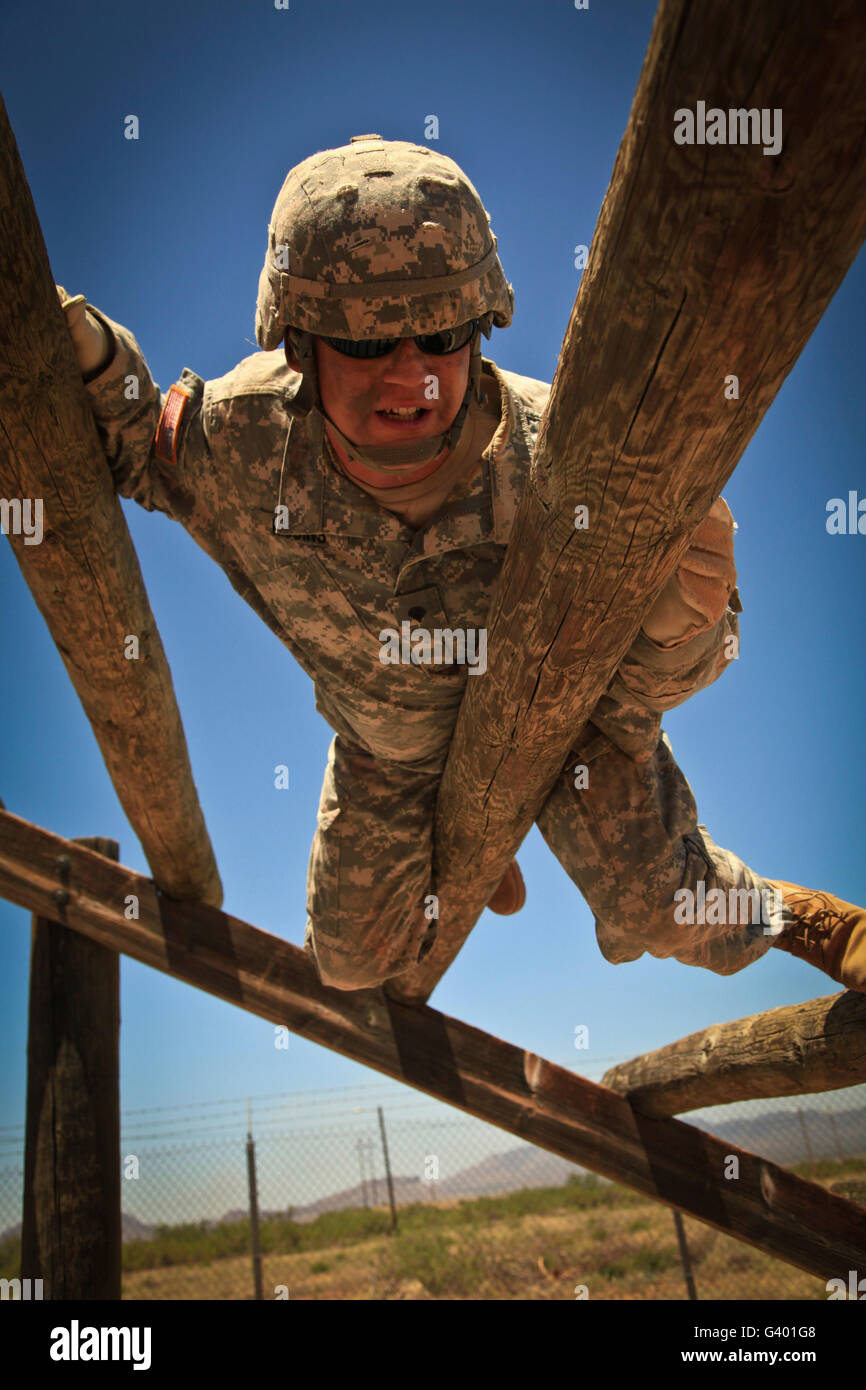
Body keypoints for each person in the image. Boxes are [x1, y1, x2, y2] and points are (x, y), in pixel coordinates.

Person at [58, 134, 865, 996]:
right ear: (298, 346)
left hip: (559, 720)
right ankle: (472, 853)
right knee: (350, 961)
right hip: (390, 742)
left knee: (663, 908)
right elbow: (143, 445)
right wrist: (84, 350)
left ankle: (802, 918)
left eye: (442, 335)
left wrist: (679, 631)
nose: (413, 378)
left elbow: (658, 672)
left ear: (480, 326)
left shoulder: (576, 456)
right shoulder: (243, 444)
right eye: (369, 343)